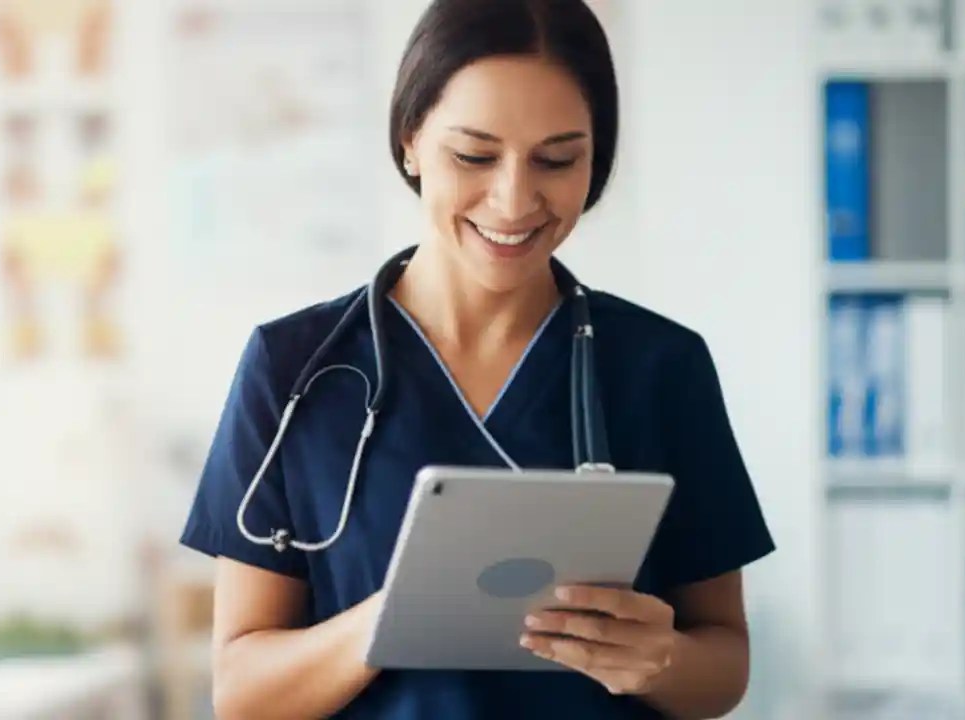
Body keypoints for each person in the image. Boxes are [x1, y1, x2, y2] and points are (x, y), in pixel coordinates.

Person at [179, 0, 776, 717]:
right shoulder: (293, 369)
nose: (514, 199)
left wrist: (663, 660)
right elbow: (243, 693)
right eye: (474, 156)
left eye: (557, 159)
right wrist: (400, 613)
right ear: (409, 142)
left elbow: (725, 667)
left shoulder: (660, 368)